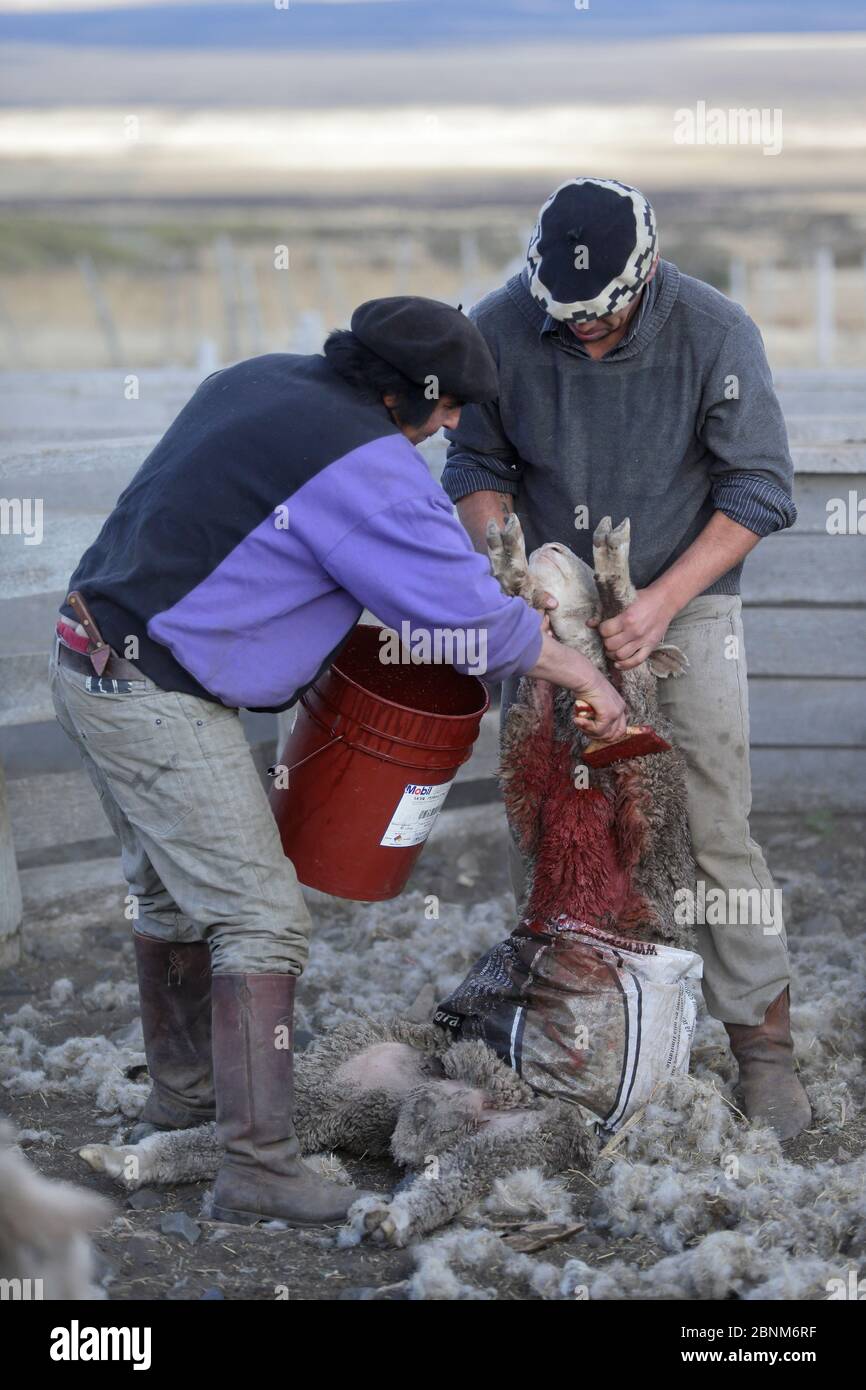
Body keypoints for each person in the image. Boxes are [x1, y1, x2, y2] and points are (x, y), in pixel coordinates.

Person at [51, 295, 627, 1227]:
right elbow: (467, 617)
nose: (449, 430)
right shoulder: (368, 469)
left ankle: (187, 1101)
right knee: (262, 919)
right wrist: (574, 670)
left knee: (168, 893)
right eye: (445, 411)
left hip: (88, 656)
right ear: (403, 396)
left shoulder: (258, 379)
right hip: (154, 695)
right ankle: (256, 1166)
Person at [442, 179, 811, 1141]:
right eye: (567, 322)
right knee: (552, 810)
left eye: (604, 318)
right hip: (552, 604)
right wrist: (512, 568)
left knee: (711, 820)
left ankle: (760, 1042)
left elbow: (762, 491)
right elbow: (476, 466)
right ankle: (576, 1025)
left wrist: (658, 603)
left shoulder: (715, 330)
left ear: (646, 275)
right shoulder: (503, 326)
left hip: (680, 599)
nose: (586, 334)